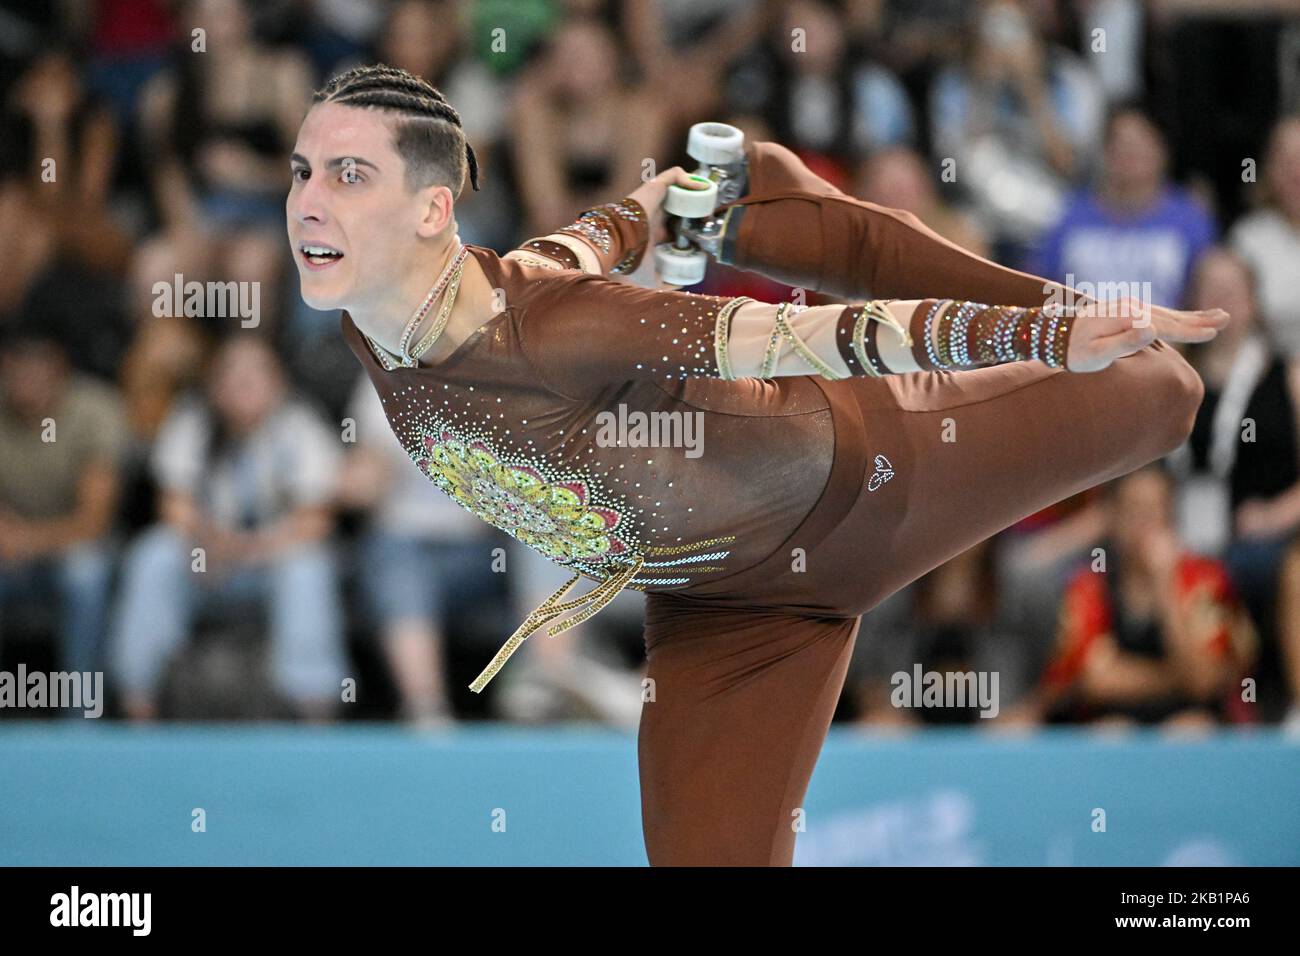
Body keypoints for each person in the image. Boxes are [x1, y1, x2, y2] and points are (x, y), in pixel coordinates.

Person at [288, 65, 1224, 866]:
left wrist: (1046, 332)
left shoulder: (549, 326)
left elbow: (821, 335)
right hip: (724, 618)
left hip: (868, 483)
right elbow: (588, 241)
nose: (309, 201)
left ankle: (780, 216)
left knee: (1161, 387)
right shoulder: (376, 323)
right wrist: (650, 209)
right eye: (301, 173)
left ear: (431, 211)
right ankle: (744, 195)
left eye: (348, 173)